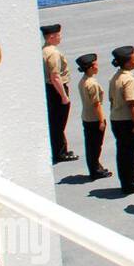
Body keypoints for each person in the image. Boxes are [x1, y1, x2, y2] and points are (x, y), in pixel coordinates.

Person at [108, 46, 134, 193]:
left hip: (116, 118)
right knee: (130, 153)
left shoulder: (116, 77)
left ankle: (126, 181)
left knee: (123, 152)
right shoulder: (129, 80)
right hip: (127, 120)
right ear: (128, 62)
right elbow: (131, 103)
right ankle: (131, 183)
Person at [41, 23, 77, 164]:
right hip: (56, 89)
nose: (60, 37)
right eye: (58, 35)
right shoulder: (53, 53)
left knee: (55, 122)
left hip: (49, 89)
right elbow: (55, 76)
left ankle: (61, 149)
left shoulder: (44, 50)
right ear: (51, 37)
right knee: (58, 123)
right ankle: (60, 153)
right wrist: (64, 96)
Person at [76, 53, 112, 179]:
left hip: (86, 116)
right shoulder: (92, 84)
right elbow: (97, 104)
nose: (98, 66)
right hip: (94, 118)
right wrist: (101, 121)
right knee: (95, 146)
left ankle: (95, 166)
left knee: (91, 145)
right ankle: (95, 170)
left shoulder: (83, 81)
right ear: (90, 68)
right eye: (95, 64)